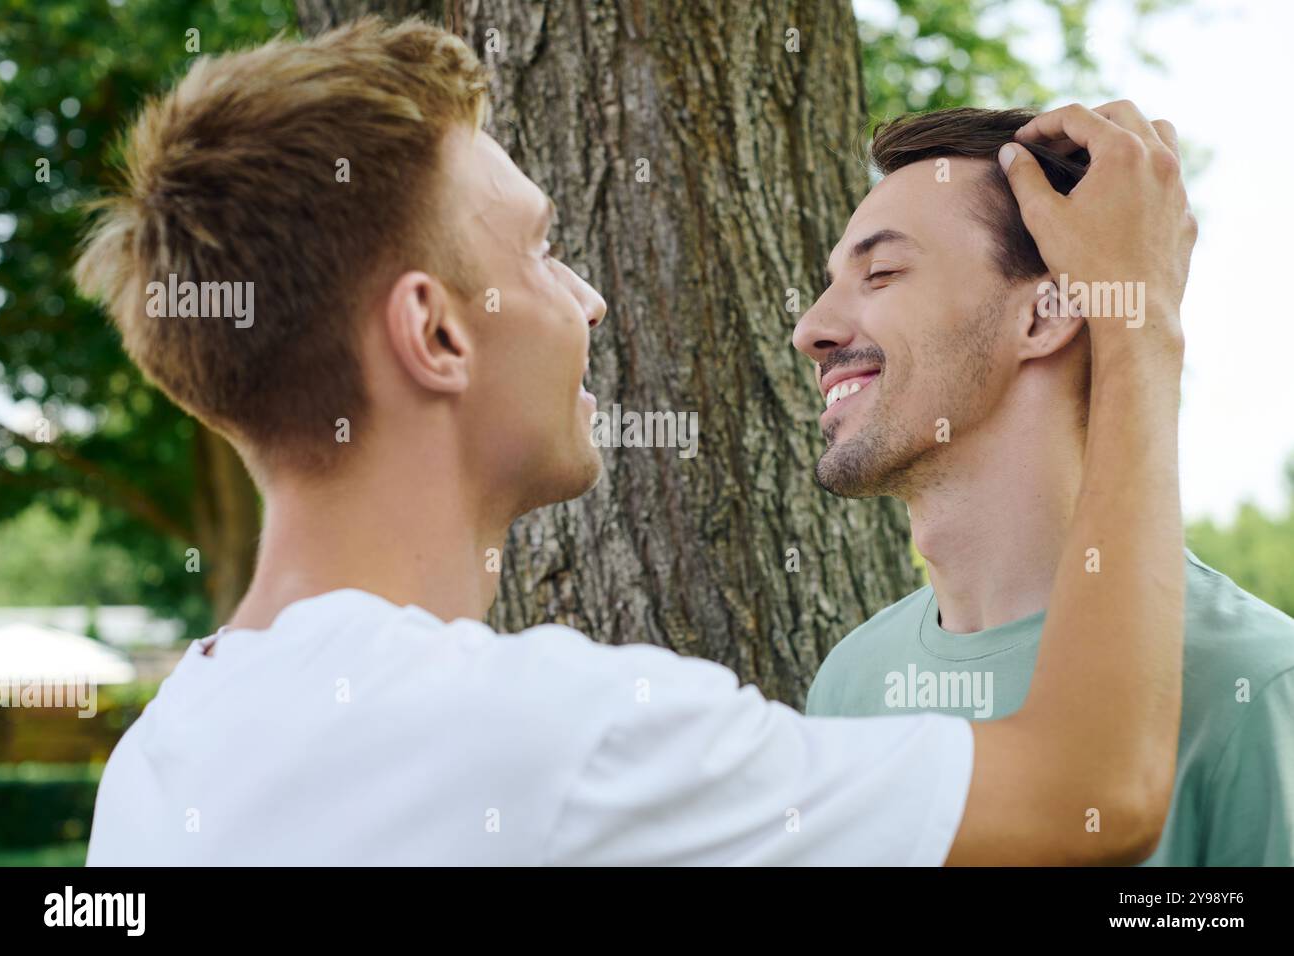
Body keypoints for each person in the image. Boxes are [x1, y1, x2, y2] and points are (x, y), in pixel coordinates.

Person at [80, 18, 1194, 865]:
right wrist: (1138, 318)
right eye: (543, 249)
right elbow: (1098, 788)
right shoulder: (549, 736)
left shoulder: (161, 757)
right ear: (433, 331)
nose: (590, 299)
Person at [798, 107, 1294, 866]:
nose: (811, 329)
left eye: (883, 273)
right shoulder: (850, 680)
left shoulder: (1257, 684)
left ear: (1048, 313)